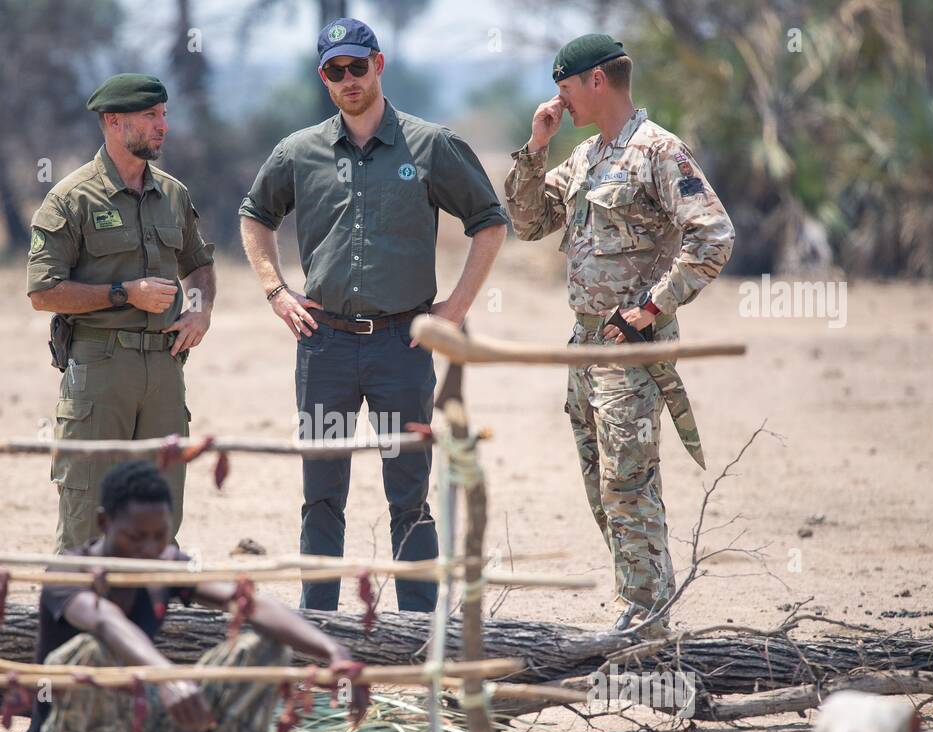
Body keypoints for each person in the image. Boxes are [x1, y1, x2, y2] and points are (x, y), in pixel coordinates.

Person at [239, 17, 509, 613]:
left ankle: (417, 634)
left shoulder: (431, 145)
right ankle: (318, 630)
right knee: (321, 495)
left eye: (357, 67)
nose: (348, 80)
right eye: (335, 71)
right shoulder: (299, 151)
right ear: (324, 78)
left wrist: (456, 309)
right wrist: (276, 292)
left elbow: (490, 221)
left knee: (409, 494)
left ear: (378, 65)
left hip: (401, 349)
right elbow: (255, 215)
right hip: (325, 348)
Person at [503, 34, 734, 634]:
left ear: (597, 81)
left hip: (630, 346)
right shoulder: (586, 156)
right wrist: (536, 145)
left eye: (565, 90)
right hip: (583, 346)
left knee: (627, 481)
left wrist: (651, 309)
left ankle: (646, 617)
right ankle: (640, 599)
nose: (561, 102)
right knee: (600, 485)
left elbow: (713, 235)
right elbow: (527, 223)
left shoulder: (658, 151)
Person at [29, 460, 353, 732]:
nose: (149, 549)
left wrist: (333, 652)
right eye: (135, 538)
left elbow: (249, 603)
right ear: (103, 523)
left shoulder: (165, 565)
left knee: (264, 647)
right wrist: (168, 678)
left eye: (159, 536)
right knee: (95, 653)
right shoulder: (70, 573)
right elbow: (108, 624)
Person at [28, 73, 215, 551]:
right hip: (100, 371)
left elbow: (199, 266)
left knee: (161, 512)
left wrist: (199, 309)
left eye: (165, 115)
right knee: (86, 513)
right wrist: (123, 293)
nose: (163, 126)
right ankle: (76, 618)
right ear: (113, 121)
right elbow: (44, 291)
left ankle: (153, 619)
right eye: (151, 116)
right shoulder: (72, 198)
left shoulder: (173, 194)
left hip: (164, 372)